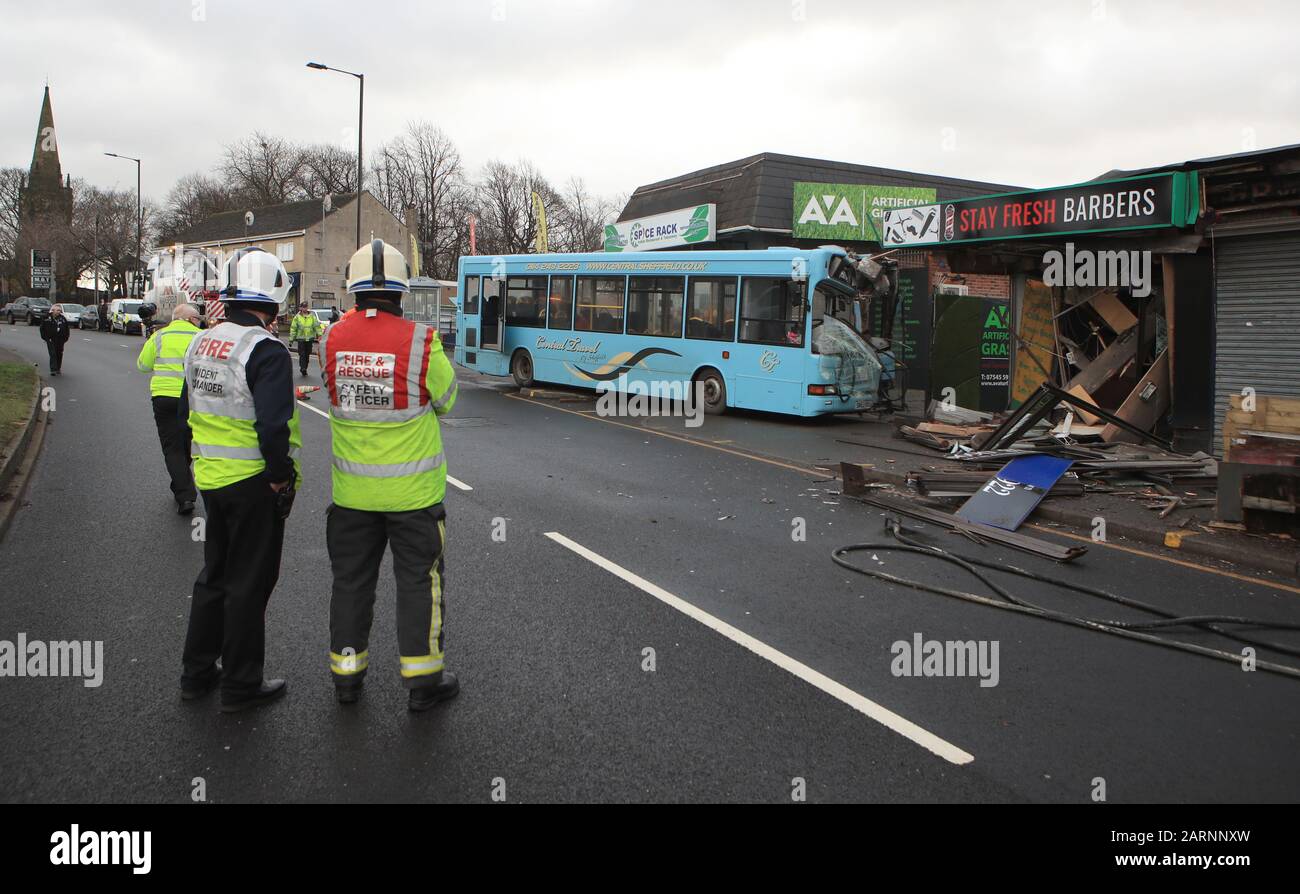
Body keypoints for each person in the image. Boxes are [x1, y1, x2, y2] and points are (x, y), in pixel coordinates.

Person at [322, 239, 459, 711]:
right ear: (401, 290)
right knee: (420, 583)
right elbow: (447, 401)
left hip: (352, 495)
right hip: (413, 498)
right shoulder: (422, 340)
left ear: (353, 289)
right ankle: (423, 685)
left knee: (351, 584)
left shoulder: (331, 339)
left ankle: (347, 679)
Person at [178, 247, 302, 713]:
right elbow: (273, 427)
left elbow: (181, 410)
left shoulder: (201, 342)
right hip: (252, 482)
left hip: (211, 477)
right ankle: (241, 685)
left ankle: (196, 674)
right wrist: (279, 478)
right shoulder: (265, 350)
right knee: (250, 582)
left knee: (216, 575)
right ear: (272, 300)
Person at [136, 303, 202, 514]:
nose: (199, 321)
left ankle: (183, 493)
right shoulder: (202, 337)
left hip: (163, 397)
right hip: (193, 398)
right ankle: (183, 489)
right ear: (191, 319)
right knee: (187, 443)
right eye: (198, 318)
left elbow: (143, 366)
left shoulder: (159, 336)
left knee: (172, 447)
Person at [288, 302, 323, 377]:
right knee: (302, 354)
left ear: (307, 307)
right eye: (303, 307)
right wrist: (291, 339)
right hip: (301, 339)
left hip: (309, 339)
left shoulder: (312, 317)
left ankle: (305, 367)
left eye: (305, 307)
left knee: (307, 354)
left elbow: (316, 326)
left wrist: (320, 336)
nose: (304, 308)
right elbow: (293, 328)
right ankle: (303, 368)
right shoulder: (297, 317)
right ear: (300, 308)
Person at [39, 304, 70, 375]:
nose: (59, 312)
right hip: (51, 339)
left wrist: (65, 338)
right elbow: (42, 329)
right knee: (52, 353)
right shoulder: (46, 318)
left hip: (60, 340)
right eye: (57, 310)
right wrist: (45, 338)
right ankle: (53, 369)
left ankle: (58, 368)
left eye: (60, 310)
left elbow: (66, 329)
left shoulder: (62, 319)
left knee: (59, 353)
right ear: (53, 310)